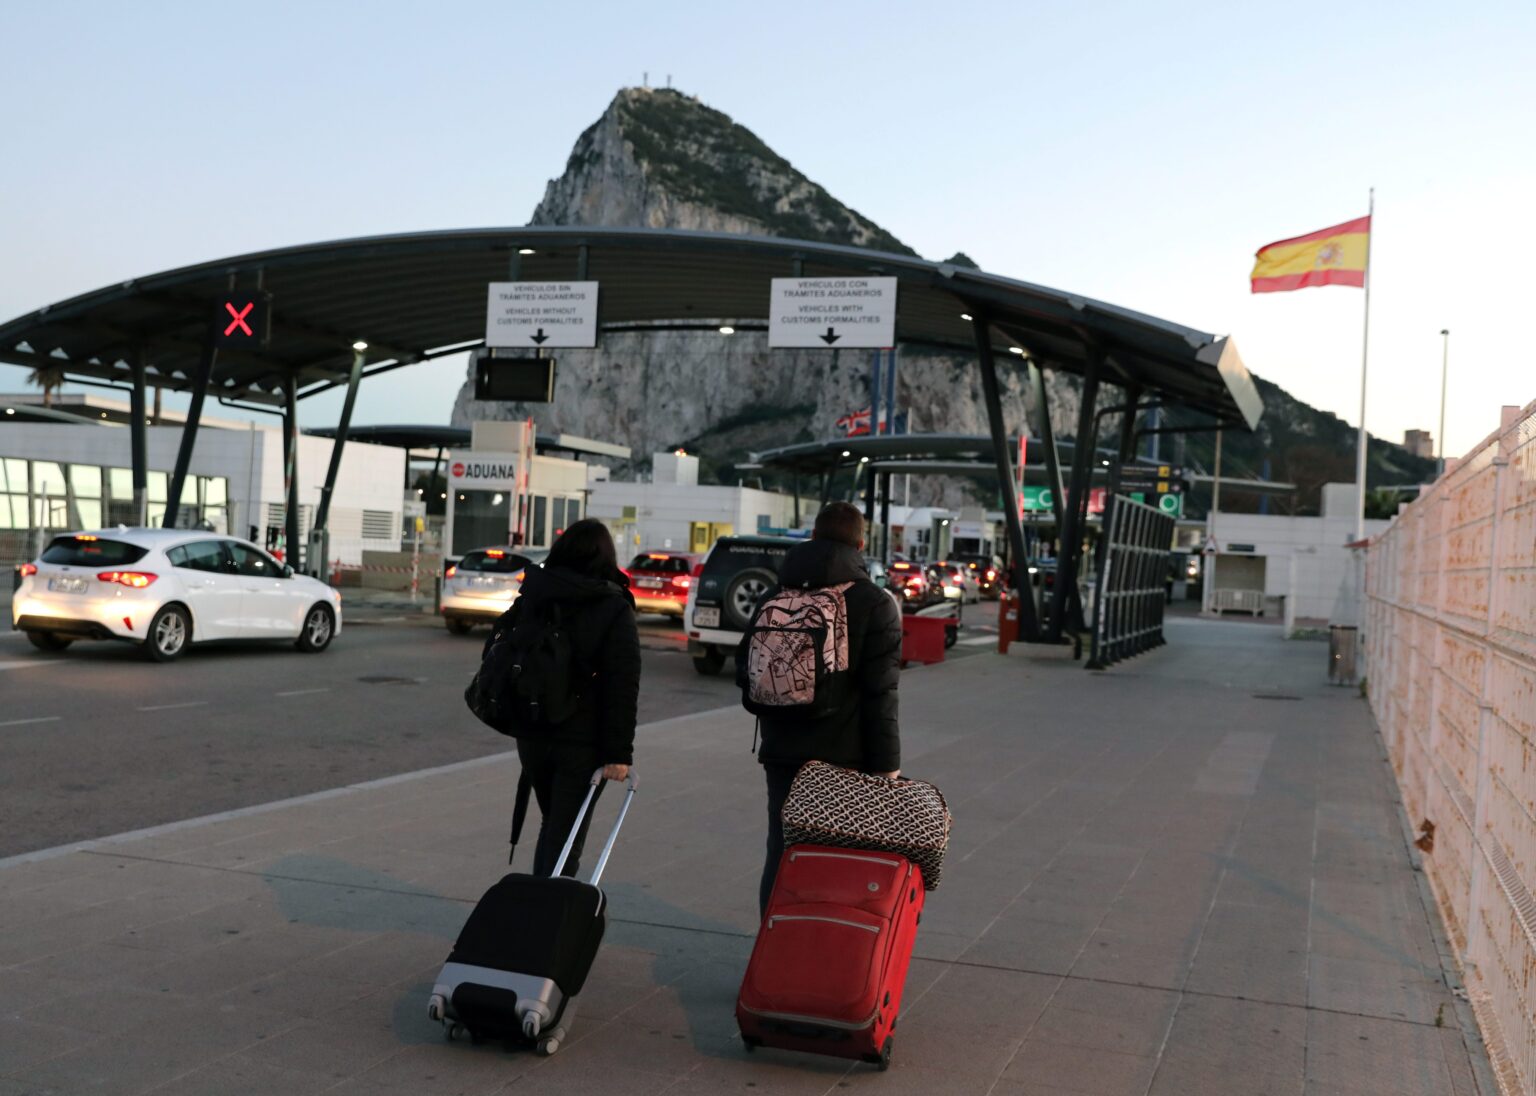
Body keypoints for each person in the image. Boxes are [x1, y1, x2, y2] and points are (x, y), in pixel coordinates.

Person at [745, 501, 903, 915]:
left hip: (781, 750)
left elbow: (749, 673)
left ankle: (773, 955)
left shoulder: (774, 594)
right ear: (861, 544)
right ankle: (821, 961)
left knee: (781, 853)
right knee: (835, 861)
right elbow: (881, 693)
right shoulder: (874, 602)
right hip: (845, 757)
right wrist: (887, 766)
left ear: (812, 537)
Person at [503, 519, 639, 878]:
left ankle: (537, 907)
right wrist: (618, 754)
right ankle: (547, 920)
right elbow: (622, 684)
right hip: (581, 742)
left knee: (554, 824)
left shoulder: (536, 594)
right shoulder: (612, 606)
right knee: (566, 835)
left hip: (532, 734)